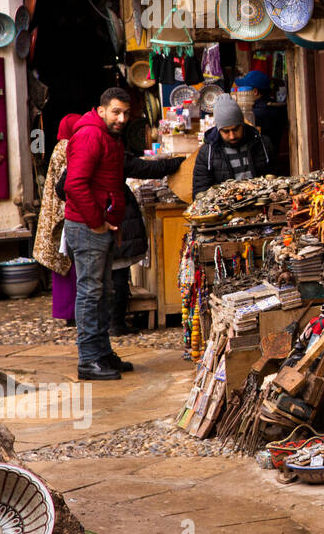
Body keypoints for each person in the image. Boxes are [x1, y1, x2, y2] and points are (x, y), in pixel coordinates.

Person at [63, 88, 132, 380]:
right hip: (87, 225)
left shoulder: (109, 136)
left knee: (103, 292)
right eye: (116, 112)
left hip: (100, 225)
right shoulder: (91, 135)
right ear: (101, 109)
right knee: (91, 293)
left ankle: (102, 353)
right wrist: (96, 222)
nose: (122, 118)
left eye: (126, 113)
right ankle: (89, 359)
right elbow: (74, 185)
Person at [109, 152, 184, 336]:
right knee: (118, 272)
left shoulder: (84, 153)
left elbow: (62, 188)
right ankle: (115, 323)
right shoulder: (110, 152)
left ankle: (111, 322)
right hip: (114, 216)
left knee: (111, 274)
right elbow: (148, 169)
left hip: (103, 219)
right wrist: (181, 161)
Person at [33, 113, 82, 326]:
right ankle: (72, 312)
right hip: (65, 214)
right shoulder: (67, 148)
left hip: (60, 212)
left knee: (65, 264)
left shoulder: (59, 146)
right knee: (69, 265)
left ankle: (69, 312)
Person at [191, 94, 279, 198]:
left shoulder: (263, 144)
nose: (232, 136)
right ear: (218, 129)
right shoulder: (207, 153)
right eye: (226, 131)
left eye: (235, 129)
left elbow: (276, 181)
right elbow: (200, 193)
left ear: (242, 124)